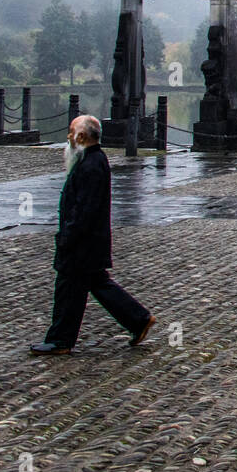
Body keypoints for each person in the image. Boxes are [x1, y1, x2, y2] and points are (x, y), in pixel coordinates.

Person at [30, 115, 155, 355]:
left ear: (81, 136)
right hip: (89, 241)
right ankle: (138, 319)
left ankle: (60, 340)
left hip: (82, 242)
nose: (68, 137)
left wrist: (69, 237)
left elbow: (84, 209)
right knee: (98, 284)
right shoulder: (93, 160)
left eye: (71, 132)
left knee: (69, 290)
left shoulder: (90, 164)